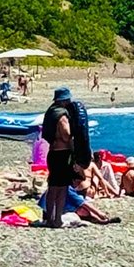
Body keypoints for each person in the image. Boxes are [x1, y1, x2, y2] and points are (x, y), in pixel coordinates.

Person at [40, 87, 92, 227]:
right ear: (64, 100)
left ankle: (51, 218)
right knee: (61, 188)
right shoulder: (62, 116)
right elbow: (66, 135)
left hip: (53, 153)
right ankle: (57, 219)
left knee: (53, 186)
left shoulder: (51, 112)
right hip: (62, 154)